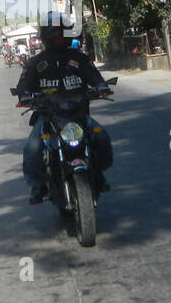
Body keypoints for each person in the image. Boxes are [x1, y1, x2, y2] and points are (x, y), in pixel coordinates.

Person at [15, 11, 113, 203]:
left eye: (61, 33)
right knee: (32, 149)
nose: (58, 38)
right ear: (45, 36)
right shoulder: (36, 63)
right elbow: (23, 85)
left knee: (101, 137)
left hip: (77, 115)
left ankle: (98, 175)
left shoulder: (80, 59)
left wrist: (101, 87)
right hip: (48, 116)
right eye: (54, 33)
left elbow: (95, 78)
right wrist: (25, 96)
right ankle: (38, 185)